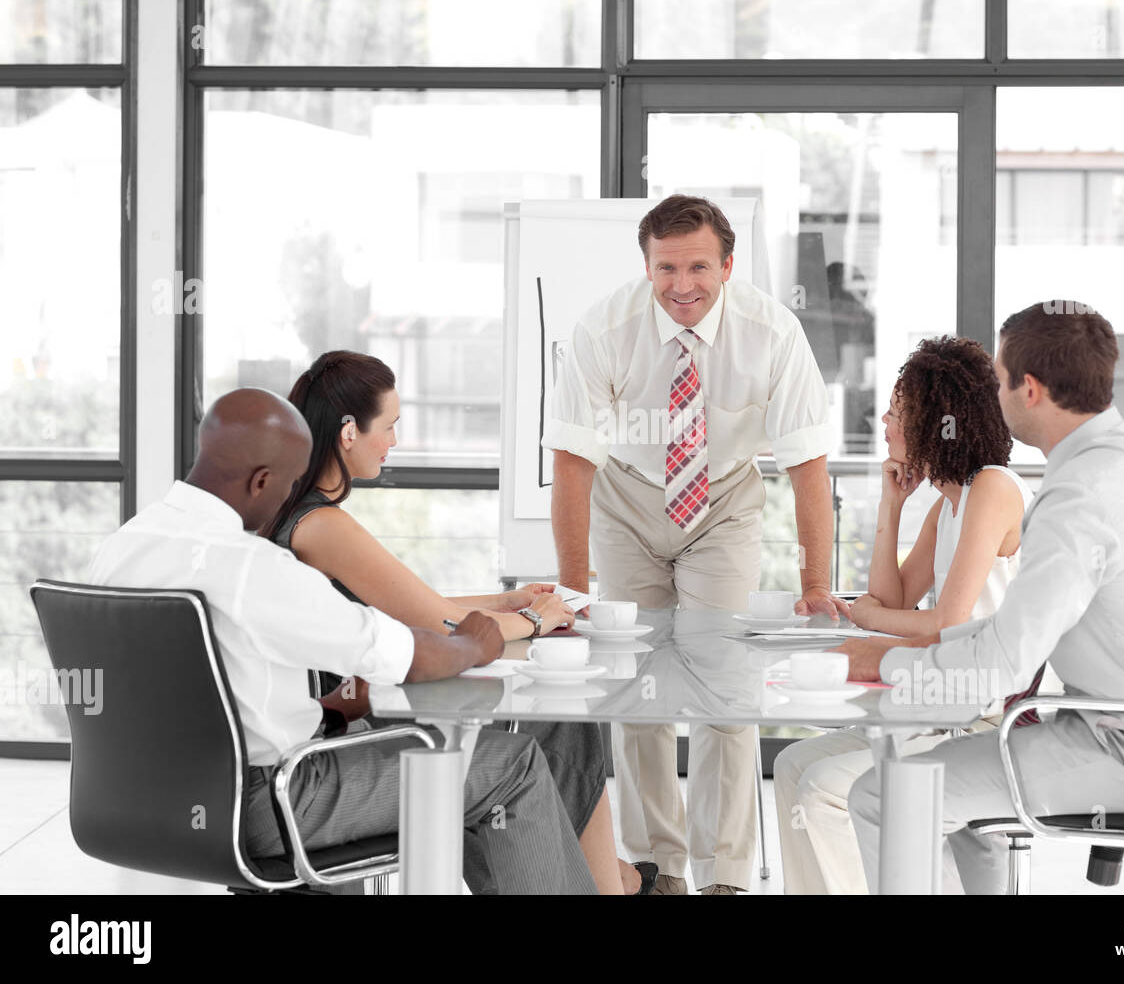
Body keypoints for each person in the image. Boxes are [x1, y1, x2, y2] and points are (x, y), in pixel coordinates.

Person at [86, 388, 597, 895]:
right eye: (287, 486)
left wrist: (328, 711)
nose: (289, 499)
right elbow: (407, 654)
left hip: (136, 806)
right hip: (272, 804)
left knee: (426, 756)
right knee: (513, 764)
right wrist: (473, 645)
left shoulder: (119, 547)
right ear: (262, 480)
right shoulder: (249, 564)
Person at [838, 302, 1124, 895]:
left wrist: (880, 661)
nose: (993, 395)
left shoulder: (1083, 497)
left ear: (1028, 390)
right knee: (945, 789)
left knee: (886, 795)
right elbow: (1010, 634)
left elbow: (1002, 665)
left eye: (1000, 380)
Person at [543, 194, 850, 895]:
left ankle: (725, 873)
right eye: (667, 268)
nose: (683, 284)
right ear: (646, 266)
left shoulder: (771, 332)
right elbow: (571, 460)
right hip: (627, 499)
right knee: (637, 684)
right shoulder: (605, 327)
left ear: (729, 265)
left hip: (724, 505)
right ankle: (660, 868)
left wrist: (814, 583)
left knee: (724, 683)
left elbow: (806, 465)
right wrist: (571, 587)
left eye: (699, 267)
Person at [263, 350, 654, 896]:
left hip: (358, 704)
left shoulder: (294, 511)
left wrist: (506, 599)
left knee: (564, 722)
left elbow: (412, 603)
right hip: (357, 722)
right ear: (349, 431)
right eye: (391, 425)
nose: (395, 441)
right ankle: (606, 883)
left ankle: (600, 880)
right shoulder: (322, 524)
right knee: (563, 718)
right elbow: (435, 622)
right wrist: (534, 623)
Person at [774, 335, 1037, 894]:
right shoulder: (948, 503)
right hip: (942, 701)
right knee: (794, 765)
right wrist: (891, 504)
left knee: (823, 788)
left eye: (898, 411)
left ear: (937, 421)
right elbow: (890, 603)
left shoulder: (992, 488)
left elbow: (947, 622)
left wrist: (872, 620)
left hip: (984, 714)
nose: (885, 423)